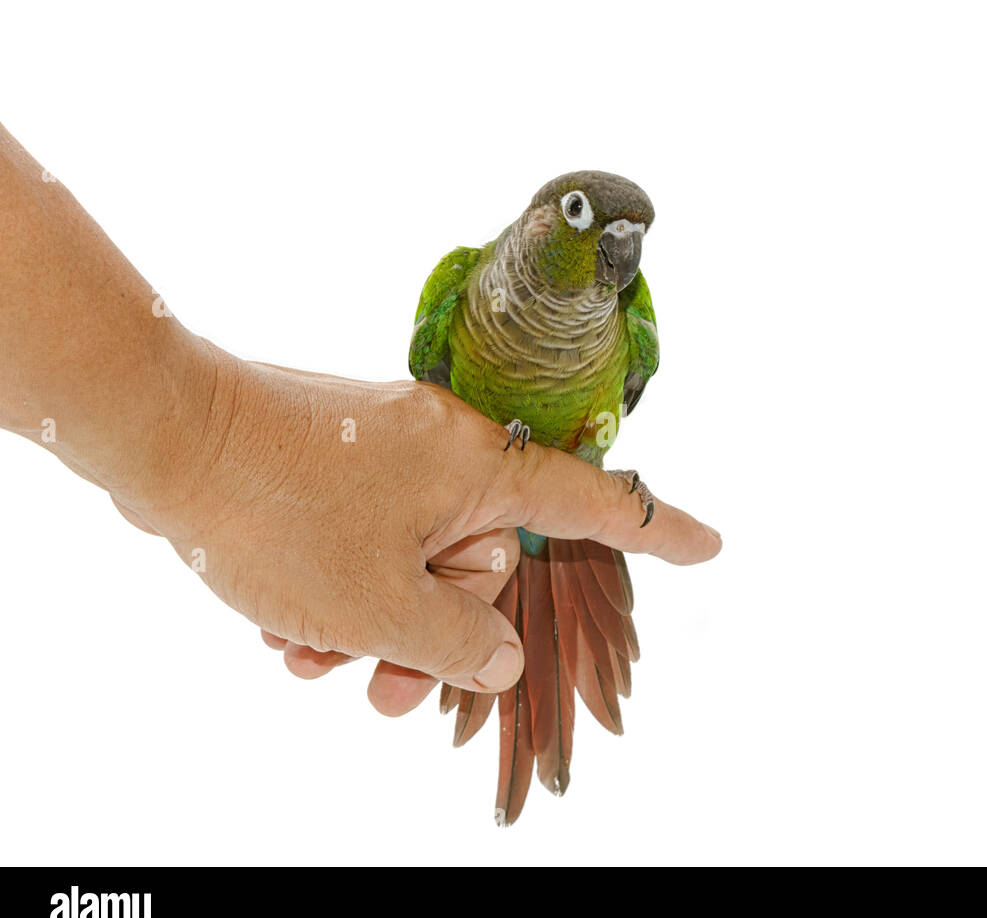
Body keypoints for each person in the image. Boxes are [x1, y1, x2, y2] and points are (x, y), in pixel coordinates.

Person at [0, 122, 722, 718]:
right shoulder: (458, 284)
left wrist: (198, 444)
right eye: (583, 217)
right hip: (485, 505)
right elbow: (441, 423)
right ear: (535, 221)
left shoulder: (632, 316)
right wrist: (206, 453)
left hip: (570, 464)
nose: (621, 244)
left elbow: (621, 398)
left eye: (634, 233)